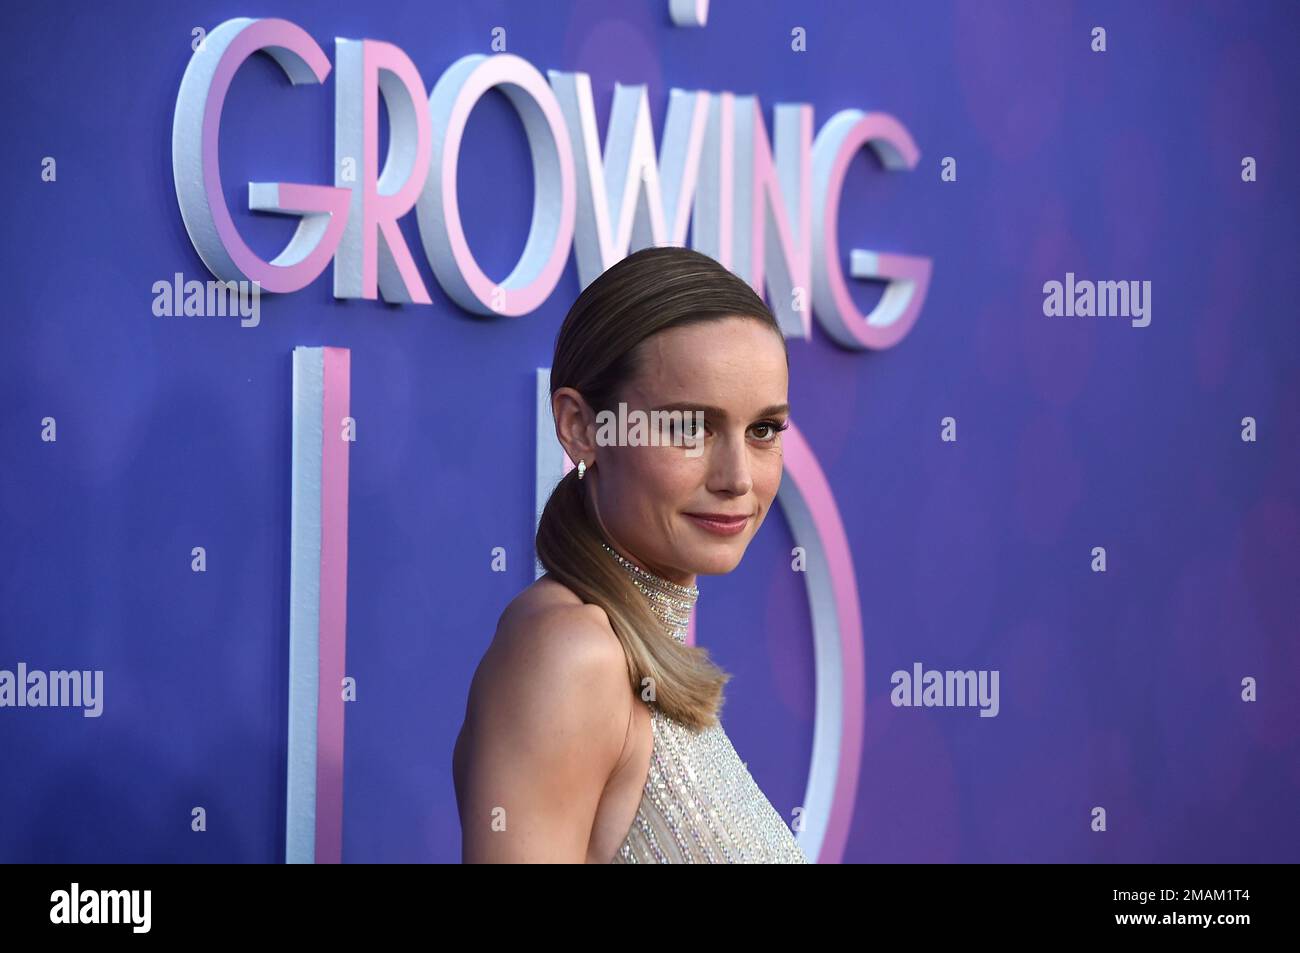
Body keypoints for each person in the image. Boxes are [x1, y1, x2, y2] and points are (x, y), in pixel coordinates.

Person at [452, 246, 808, 863]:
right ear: (580, 427)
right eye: (688, 427)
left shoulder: (632, 654)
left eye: (763, 431)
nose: (737, 478)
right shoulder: (570, 654)